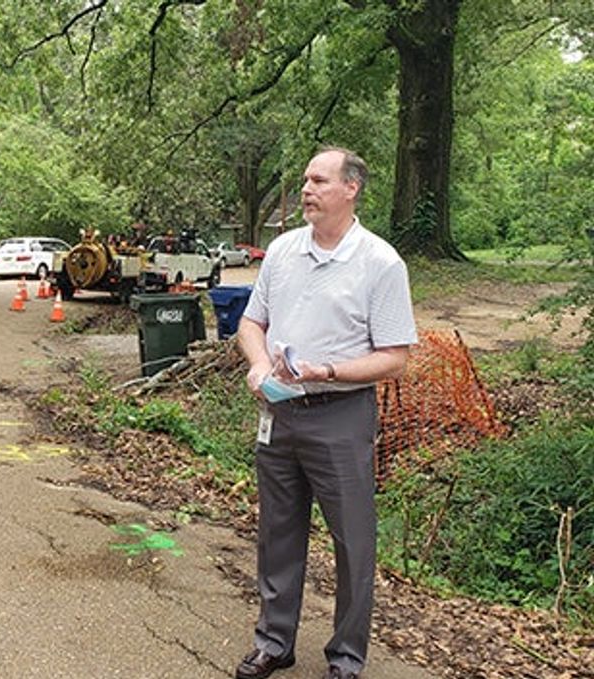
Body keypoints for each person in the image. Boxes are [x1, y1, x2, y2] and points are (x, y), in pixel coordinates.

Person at [233, 147, 417, 679]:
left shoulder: (380, 263)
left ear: (350, 188)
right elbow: (251, 323)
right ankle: (274, 641)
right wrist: (260, 364)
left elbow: (396, 358)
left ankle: (346, 658)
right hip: (279, 412)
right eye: (306, 180)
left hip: (340, 414)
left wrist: (328, 371)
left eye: (318, 180)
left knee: (353, 541)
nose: (306, 190)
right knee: (278, 532)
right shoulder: (284, 251)